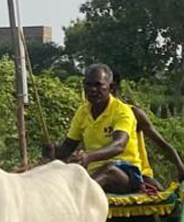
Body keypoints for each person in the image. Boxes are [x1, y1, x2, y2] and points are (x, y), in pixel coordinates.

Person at [53, 64, 149, 194]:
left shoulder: (122, 111)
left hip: (126, 174)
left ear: (111, 87)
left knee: (109, 170)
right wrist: (50, 154)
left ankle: (78, 196)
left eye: (98, 85)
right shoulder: (82, 112)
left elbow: (119, 145)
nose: (92, 90)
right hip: (94, 173)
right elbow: (67, 148)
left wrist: (88, 156)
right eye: (88, 85)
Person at [111, 73, 184, 188]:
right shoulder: (88, 115)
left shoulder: (133, 113)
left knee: (166, 200)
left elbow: (161, 143)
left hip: (137, 174)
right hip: (105, 173)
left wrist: (181, 167)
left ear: (111, 88)